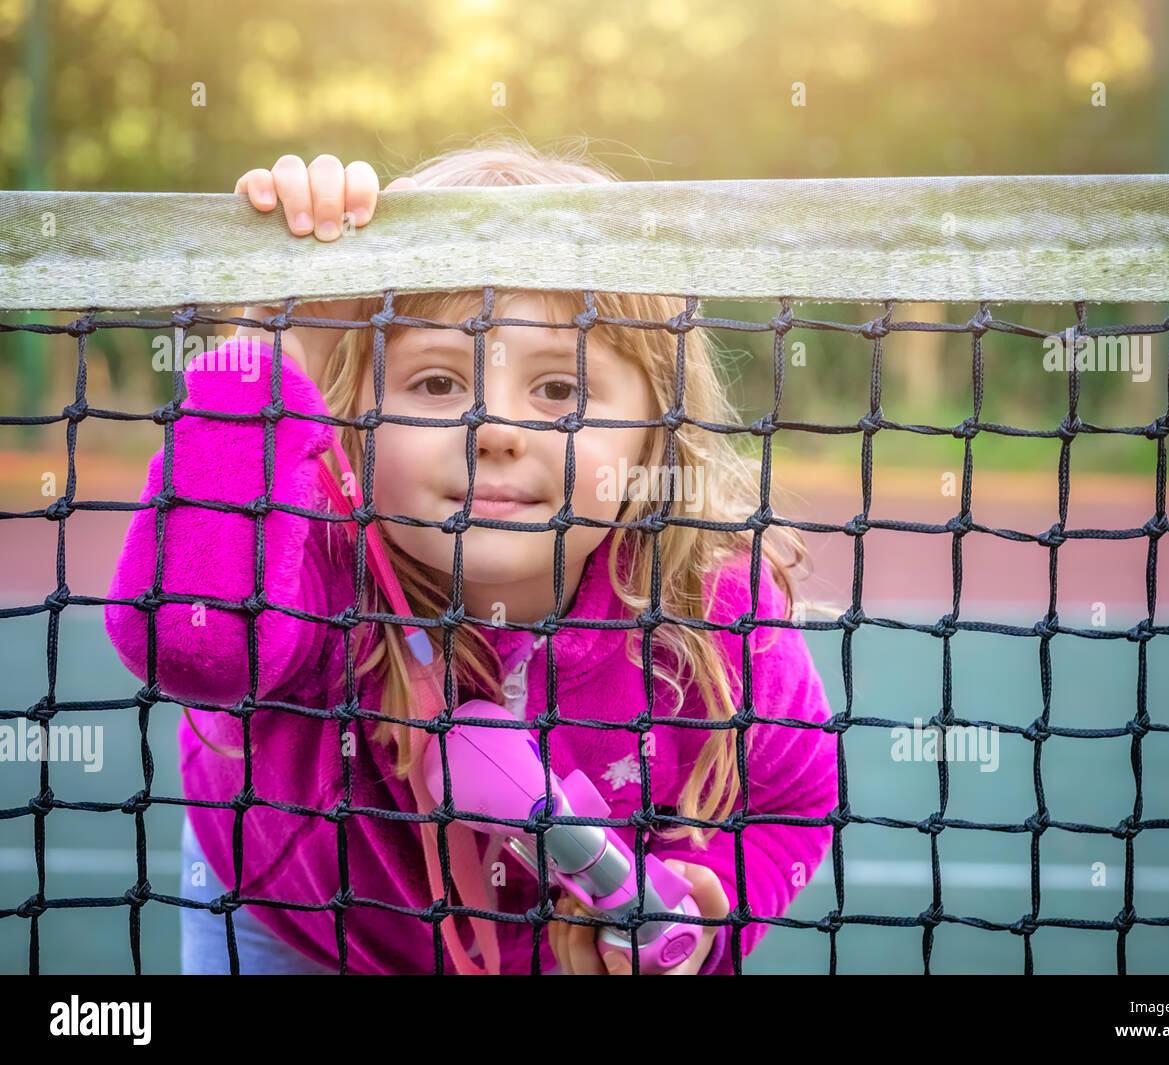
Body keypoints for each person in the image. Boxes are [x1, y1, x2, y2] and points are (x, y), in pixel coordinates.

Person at [105, 136, 837, 975]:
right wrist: (272, 354)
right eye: (438, 384)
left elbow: (792, 797)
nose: (495, 431)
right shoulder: (313, 558)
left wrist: (708, 905)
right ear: (353, 413)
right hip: (293, 921)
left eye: (560, 390)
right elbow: (192, 643)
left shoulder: (714, 610)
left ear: (655, 429)